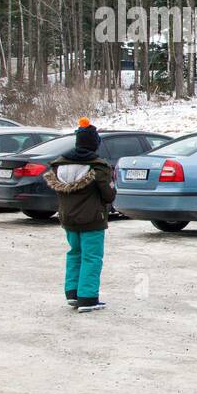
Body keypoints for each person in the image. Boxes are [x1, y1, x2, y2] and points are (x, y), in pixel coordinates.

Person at [44, 118, 116, 313]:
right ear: (94, 144)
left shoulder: (59, 165)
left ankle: (73, 294)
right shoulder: (98, 167)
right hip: (92, 220)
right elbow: (109, 195)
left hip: (68, 219)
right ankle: (88, 298)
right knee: (92, 257)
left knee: (74, 254)